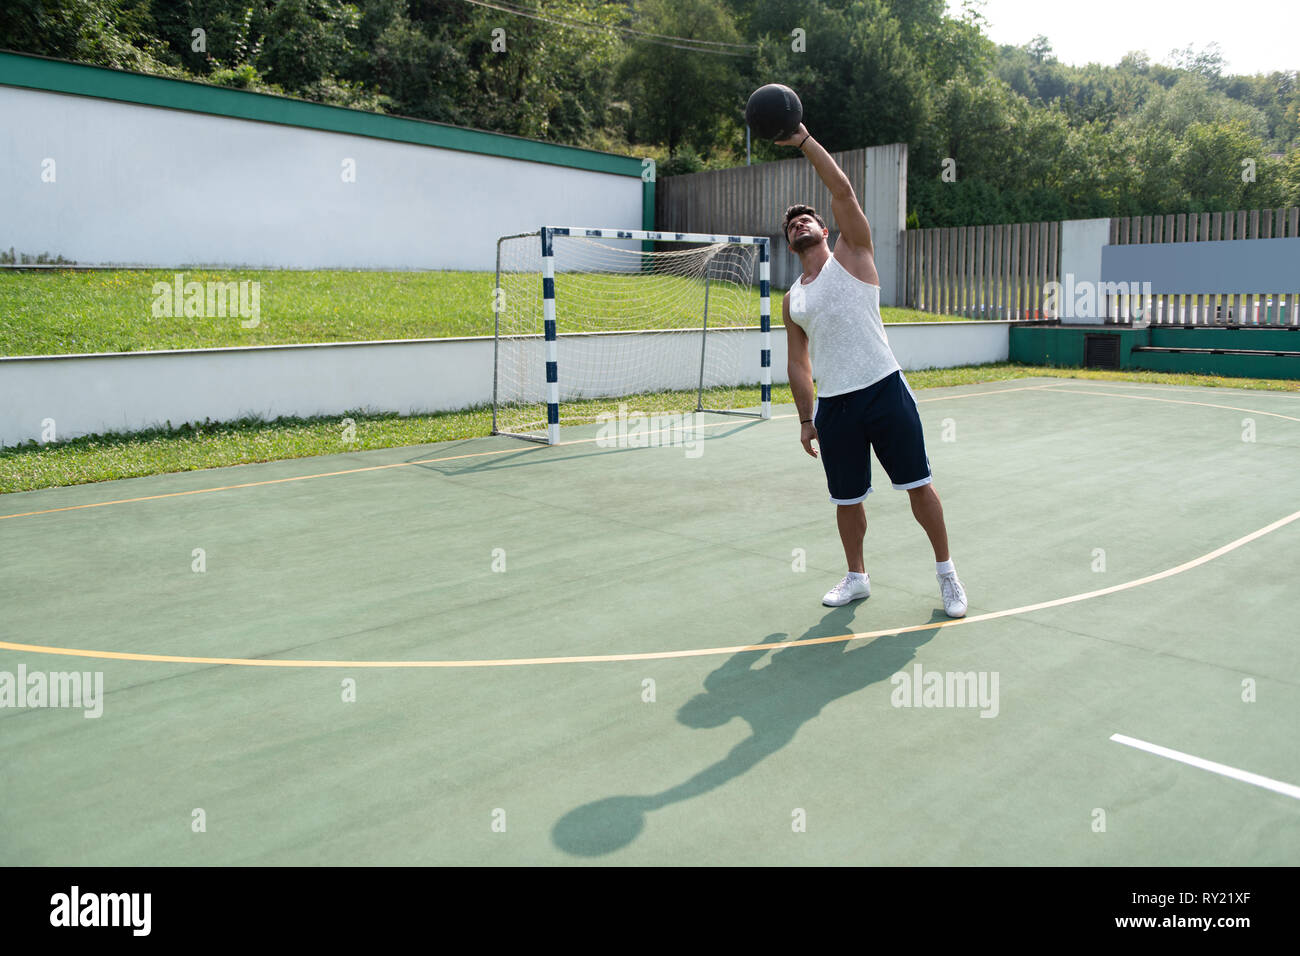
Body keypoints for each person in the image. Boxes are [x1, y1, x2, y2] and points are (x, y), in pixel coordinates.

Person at [776, 122, 968, 617]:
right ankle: (856, 576)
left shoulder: (853, 254)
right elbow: (799, 362)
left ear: (825, 228)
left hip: (885, 389)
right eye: (791, 224)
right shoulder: (793, 298)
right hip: (837, 405)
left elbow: (842, 189)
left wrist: (803, 141)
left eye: (806, 218)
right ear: (789, 243)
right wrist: (804, 417)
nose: (799, 223)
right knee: (847, 498)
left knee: (918, 486)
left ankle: (947, 575)